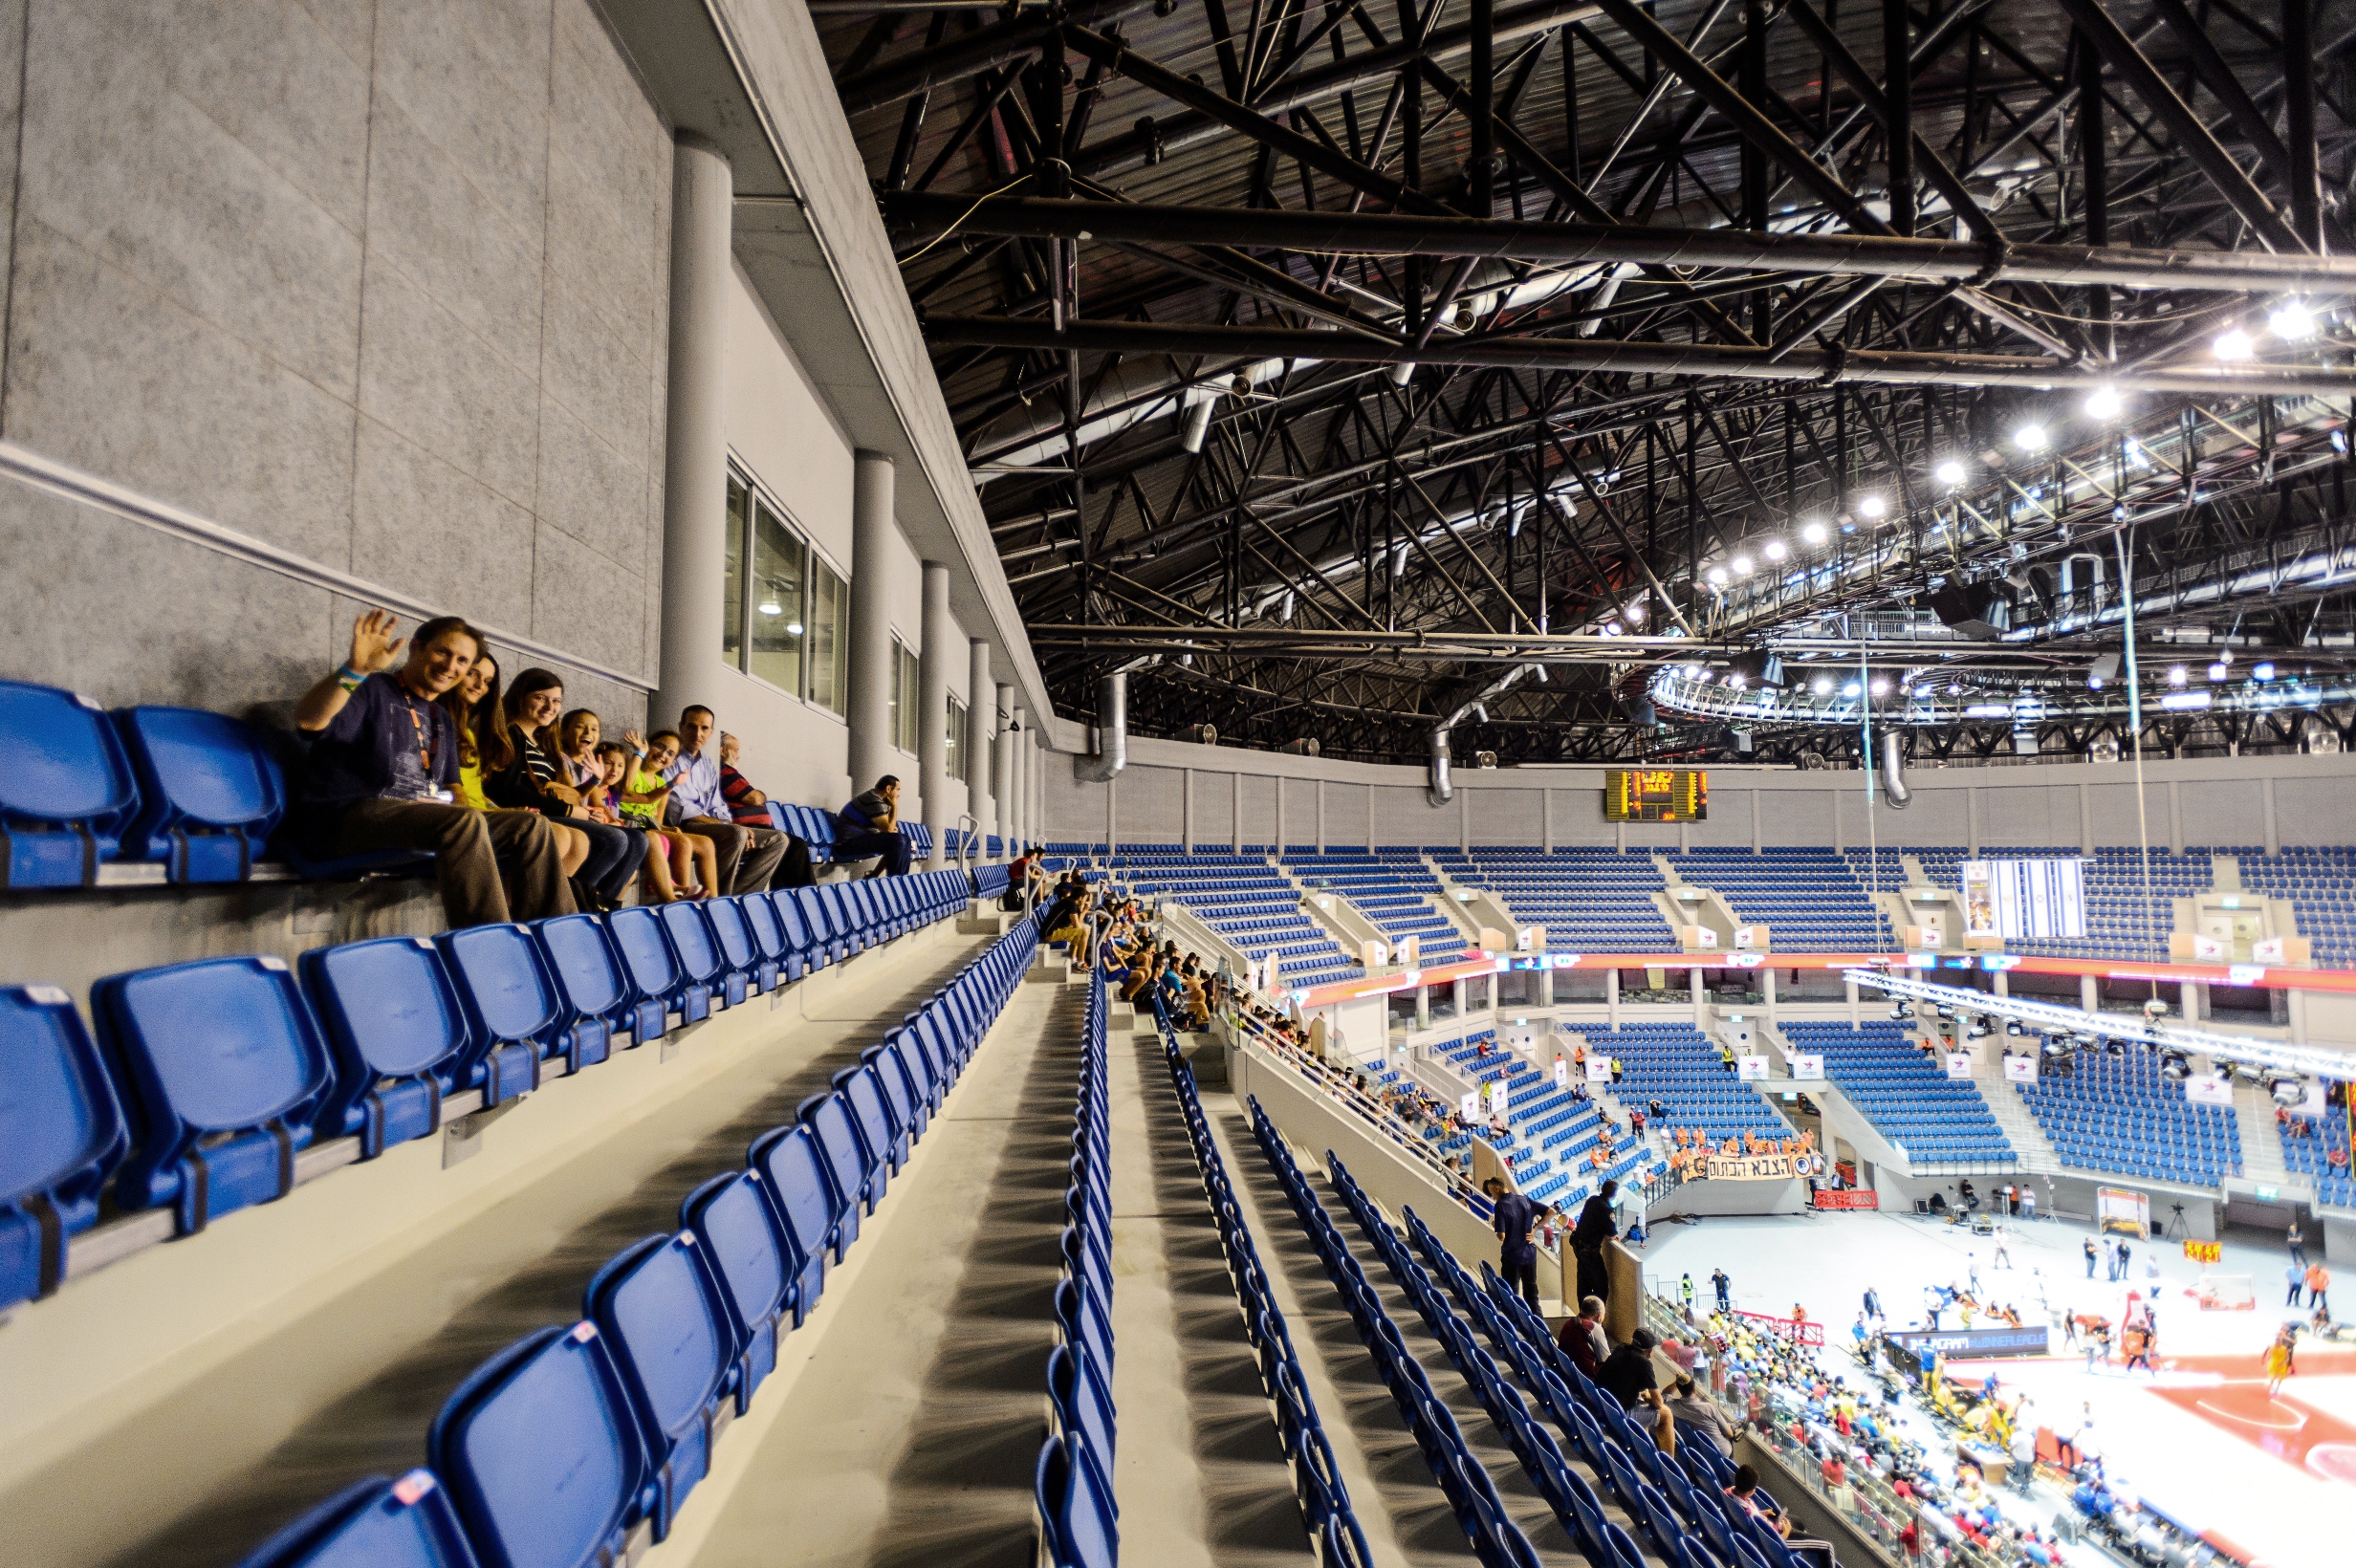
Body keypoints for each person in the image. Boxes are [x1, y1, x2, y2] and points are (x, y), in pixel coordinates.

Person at [291, 609, 573, 927]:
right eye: (442, 651)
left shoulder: (442, 717)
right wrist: (354, 671)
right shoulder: (371, 690)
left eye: (462, 661)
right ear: (416, 647)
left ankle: (558, 938)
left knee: (531, 827)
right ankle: (492, 945)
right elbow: (309, 720)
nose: (450, 666)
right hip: (347, 816)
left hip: (421, 820)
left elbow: (454, 790)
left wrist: (485, 814)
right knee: (462, 822)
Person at [483, 669, 643, 911]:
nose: (549, 707)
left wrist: (588, 804)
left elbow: (563, 791)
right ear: (520, 697)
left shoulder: (540, 742)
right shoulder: (511, 734)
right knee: (614, 839)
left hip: (553, 810)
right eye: (540, 698)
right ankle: (580, 910)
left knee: (638, 839)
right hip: (530, 814)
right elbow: (506, 790)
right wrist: (570, 811)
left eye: (556, 701)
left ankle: (596, 909)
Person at [664, 706, 793, 892]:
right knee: (736, 834)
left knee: (779, 839)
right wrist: (728, 826)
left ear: (711, 732)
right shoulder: (671, 760)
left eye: (704, 728)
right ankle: (720, 899)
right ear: (681, 727)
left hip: (712, 824)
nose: (697, 733)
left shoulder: (708, 764)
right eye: (691, 727)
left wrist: (728, 822)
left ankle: (738, 898)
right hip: (685, 826)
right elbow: (682, 809)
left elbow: (717, 803)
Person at [620, 732, 720, 898]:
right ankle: (681, 894)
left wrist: (672, 830)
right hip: (629, 824)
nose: (662, 754)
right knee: (683, 842)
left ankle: (713, 901)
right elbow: (625, 787)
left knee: (706, 842)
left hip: (650, 828)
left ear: (673, 762)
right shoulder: (632, 769)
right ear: (648, 744)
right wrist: (640, 753)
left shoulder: (662, 784)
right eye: (659, 746)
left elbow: (657, 823)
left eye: (670, 753)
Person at [836, 774, 913, 877]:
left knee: (905, 839)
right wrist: (894, 805)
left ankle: (900, 879)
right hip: (846, 844)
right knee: (897, 840)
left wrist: (890, 829)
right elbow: (889, 829)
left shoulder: (881, 803)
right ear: (888, 788)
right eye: (898, 790)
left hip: (858, 840)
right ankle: (895, 882)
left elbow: (891, 830)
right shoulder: (872, 799)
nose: (899, 794)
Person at [1487, 1178, 1540, 1309]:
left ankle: (1514, 1322)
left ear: (1497, 1188)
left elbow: (1502, 1236)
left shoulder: (1500, 1205)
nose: (1492, 1195)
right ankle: (1539, 1323)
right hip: (1529, 1254)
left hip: (1512, 1256)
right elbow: (1551, 1211)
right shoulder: (1524, 1199)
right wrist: (1534, 1229)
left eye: (1491, 1191)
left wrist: (1497, 1225)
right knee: (1532, 1293)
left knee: (1511, 1293)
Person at [1667, 1373, 1739, 1457]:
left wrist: (1677, 1382)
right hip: (1721, 1452)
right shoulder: (1708, 1408)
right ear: (1694, 1390)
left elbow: (1664, 1395)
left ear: (1679, 1389)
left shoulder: (1673, 1406)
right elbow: (1729, 1434)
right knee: (1732, 1430)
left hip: (1699, 1452)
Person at [1570, 1179, 1618, 1306]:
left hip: (1578, 1245)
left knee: (1584, 1284)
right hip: (1589, 1251)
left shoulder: (1592, 1200)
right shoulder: (1607, 1209)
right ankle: (1595, 1317)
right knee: (1601, 1286)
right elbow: (1611, 1233)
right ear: (1613, 1194)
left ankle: (1583, 1316)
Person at [1599, 1326, 1661, 1410]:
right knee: (1665, 1413)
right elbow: (1658, 1403)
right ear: (1650, 1351)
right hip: (1617, 1411)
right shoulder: (1645, 1364)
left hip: (1599, 1398)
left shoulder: (1621, 1347)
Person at [1725, 1466, 1792, 1539]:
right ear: (1749, 1492)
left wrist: (1761, 1513)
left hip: (1762, 1520)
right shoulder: (1749, 1511)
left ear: (1735, 1478)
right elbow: (1768, 1539)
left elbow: (1746, 1515)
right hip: (1776, 1535)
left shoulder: (1727, 1492)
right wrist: (1785, 1534)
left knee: (1794, 1521)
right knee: (1798, 1529)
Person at [1558, 1296, 1610, 1379]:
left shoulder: (1569, 1323)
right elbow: (1606, 1360)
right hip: (1587, 1378)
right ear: (1599, 1316)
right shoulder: (1593, 1328)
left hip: (1566, 1372)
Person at [2266, 1326, 2296, 1397]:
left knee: (2280, 1377)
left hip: (2282, 1363)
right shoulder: (2272, 1347)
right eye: (2277, 1343)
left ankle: (2277, 1387)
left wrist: (2283, 1362)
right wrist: (2268, 1360)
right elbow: (2269, 1355)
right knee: (2272, 1376)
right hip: (2273, 1363)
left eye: (2279, 1343)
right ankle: (2272, 1387)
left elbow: (2287, 1357)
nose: (2278, 1344)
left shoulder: (2284, 1349)